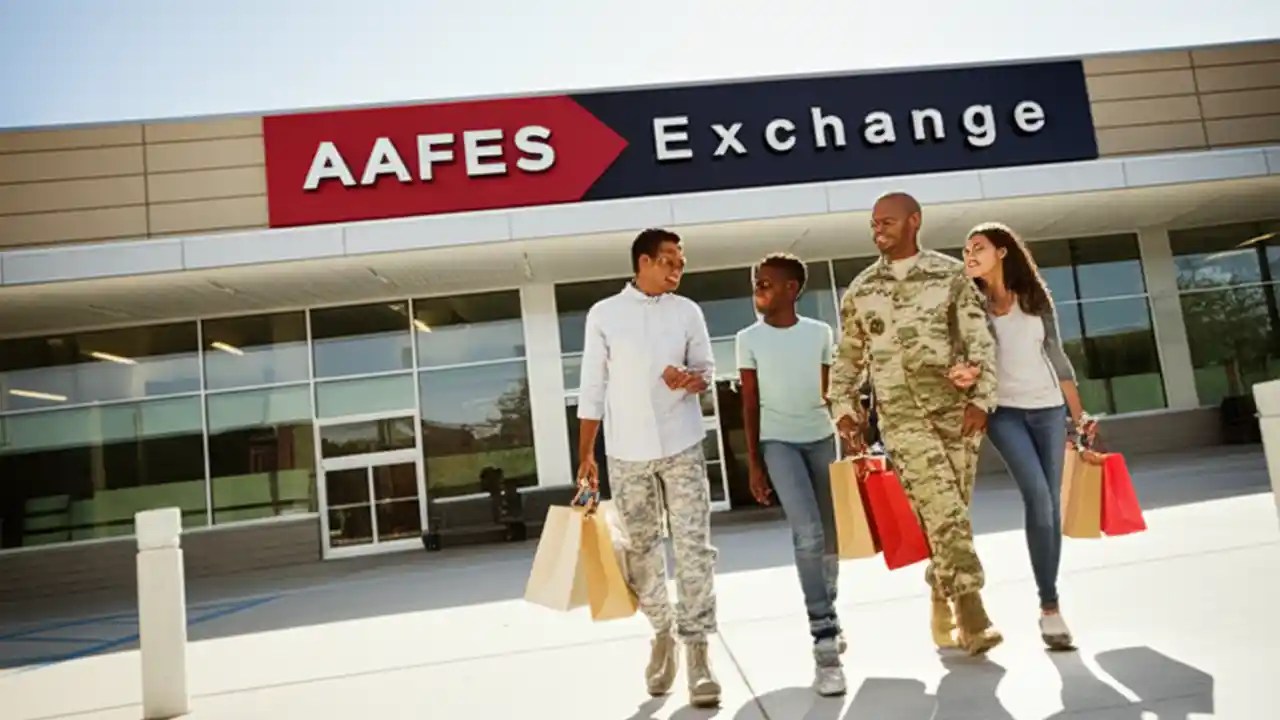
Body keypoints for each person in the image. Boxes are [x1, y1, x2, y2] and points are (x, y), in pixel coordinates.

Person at [828, 191, 1004, 656]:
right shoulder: (861, 290)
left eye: (887, 221)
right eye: (873, 223)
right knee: (940, 503)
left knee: (949, 512)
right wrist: (844, 410)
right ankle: (972, 609)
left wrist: (982, 398)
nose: (878, 229)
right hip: (901, 418)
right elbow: (846, 360)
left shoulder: (950, 276)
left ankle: (937, 590)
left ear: (914, 221)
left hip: (955, 411)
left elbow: (978, 341)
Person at [576, 228, 722, 708]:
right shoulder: (605, 314)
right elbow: (592, 388)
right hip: (626, 452)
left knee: (695, 548)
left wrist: (691, 379)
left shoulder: (688, 312)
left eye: (681, 260)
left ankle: (699, 652)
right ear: (643, 262)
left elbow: (706, 369)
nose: (677, 268)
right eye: (668, 260)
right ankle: (663, 633)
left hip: (682, 444)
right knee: (640, 552)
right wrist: (586, 457)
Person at [948, 222, 1097, 651]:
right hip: (1005, 413)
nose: (969, 254)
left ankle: (1048, 606)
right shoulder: (970, 305)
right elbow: (964, 359)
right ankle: (1050, 608)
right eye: (965, 249)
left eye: (978, 247)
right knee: (1036, 495)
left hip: (1048, 409)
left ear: (1002, 252)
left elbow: (1058, 358)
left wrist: (1079, 414)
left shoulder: (1033, 298)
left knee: (1050, 506)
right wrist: (963, 377)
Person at [736, 252, 847, 697]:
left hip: (822, 439)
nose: (758, 290)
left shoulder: (820, 333)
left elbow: (831, 389)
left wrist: (849, 426)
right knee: (808, 534)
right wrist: (755, 463)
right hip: (777, 442)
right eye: (756, 283)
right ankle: (824, 643)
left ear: (790, 289)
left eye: (765, 283)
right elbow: (748, 403)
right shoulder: (748, 339)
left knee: (833, 539)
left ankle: (830, 614)